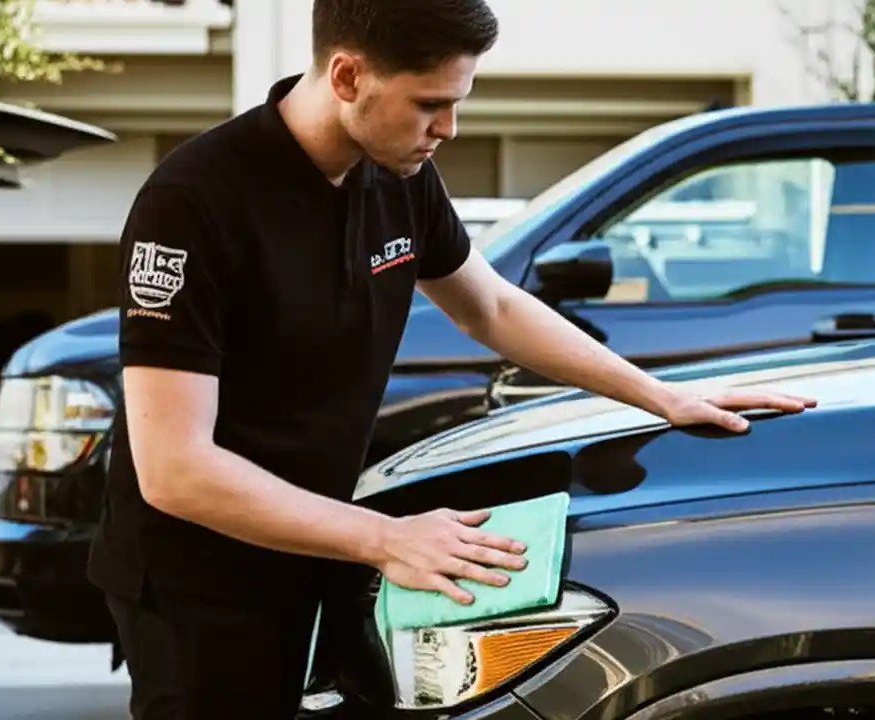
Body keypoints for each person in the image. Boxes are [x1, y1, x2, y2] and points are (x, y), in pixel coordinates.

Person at [86, 0, 816, 716]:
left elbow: (489, 308)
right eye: (430, 104)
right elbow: (175, 470)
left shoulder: (398, 177)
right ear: (347, 78)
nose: (449, 128)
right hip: (198, 578)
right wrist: (386, 539)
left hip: (325, 546)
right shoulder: (194, 201)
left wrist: (660, 395)